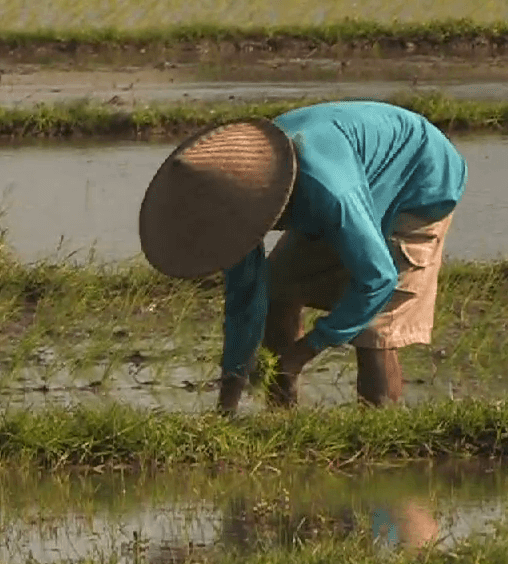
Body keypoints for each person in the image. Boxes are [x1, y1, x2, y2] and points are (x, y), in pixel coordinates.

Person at [137, 101, 467, 414]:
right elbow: (246, 301)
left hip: (420, 180)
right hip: (345, 179)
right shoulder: (232, 202)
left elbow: (378, 278)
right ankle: (282, 416)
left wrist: (306, 349)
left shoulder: (328, 191)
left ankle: (380, 430)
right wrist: (228, 400)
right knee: (278, 289)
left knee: (376, 326)